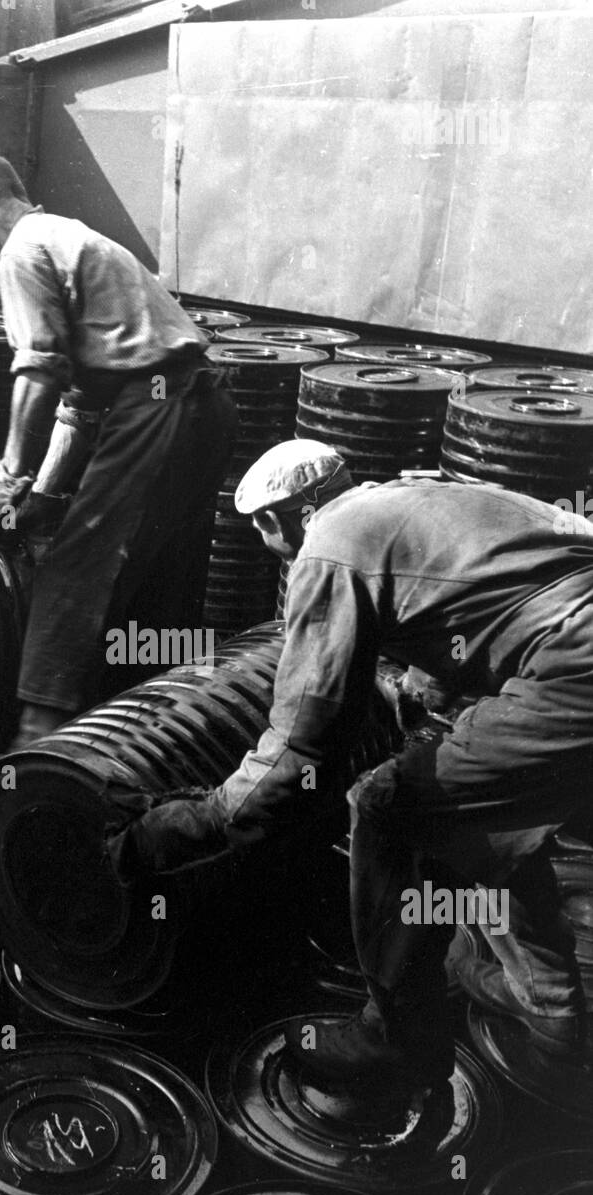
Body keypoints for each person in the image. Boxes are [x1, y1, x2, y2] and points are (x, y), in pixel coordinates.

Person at [109, 438, 591, 1104]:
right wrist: (420, 706)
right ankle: (550, 1005)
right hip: (566, 644)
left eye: (266, 522)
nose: (262, 538)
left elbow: (302, 746)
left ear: (301, 508)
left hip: (574, 665)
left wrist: (189, 825)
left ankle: (398, 1040)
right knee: (484, 810)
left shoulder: (331, 543)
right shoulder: (415, 495)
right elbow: (478, 615)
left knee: (389, 809)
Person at [0, 144, 237, 754]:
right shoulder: (71, 234)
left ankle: (37, 745)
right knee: (161, 573)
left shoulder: (21, 250)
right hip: (206, 403)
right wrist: (45, 495)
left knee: (78, 563)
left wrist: (6, 477)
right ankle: (155, 734)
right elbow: (79, 407)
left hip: (158, 401)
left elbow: (40, 369)